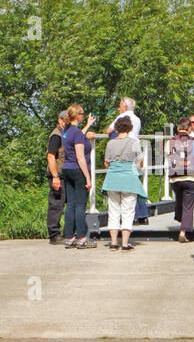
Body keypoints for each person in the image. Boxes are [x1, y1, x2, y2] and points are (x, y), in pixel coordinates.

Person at [102, 115, 147, 251]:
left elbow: (106, 163)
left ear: (117, 128)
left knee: (114, 211)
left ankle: (114, 242)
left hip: (112, 180)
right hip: (129, 180)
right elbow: (140, 162)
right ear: (130, 128)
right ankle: (125, 243)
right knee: (128, 212)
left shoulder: (110, 143)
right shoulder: (134, 142)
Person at [61, 103, 98, 248]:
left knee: (70, 204)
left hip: (67, 169)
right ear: (77, 115)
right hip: (77, 170)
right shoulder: (75, 132)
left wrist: (88, 125)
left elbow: (78, 137)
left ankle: (69, 237)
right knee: (80, 205)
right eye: (82, 114)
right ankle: (82, 238)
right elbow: (80, 157)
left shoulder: (67, 130)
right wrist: (88, 178)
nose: (83, 116)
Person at [164, 118, 194, 242]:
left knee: (179, 201)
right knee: (188, 206)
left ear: (178, 128)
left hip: (175, 178)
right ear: (189, 129)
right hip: (190, 177)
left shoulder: (170, 142)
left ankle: (180, 219)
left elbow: (168, 156)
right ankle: (183, 231)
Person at [45, 110, 68, 244]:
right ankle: (54, 234)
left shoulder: (64, 134)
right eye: (67, 121)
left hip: (63, 174)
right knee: (56, 204)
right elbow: (51, 156)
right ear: (60, 121)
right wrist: (55, 176)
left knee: (65, 203)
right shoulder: (56, 135)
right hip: (57, 175)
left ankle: (66, 232)